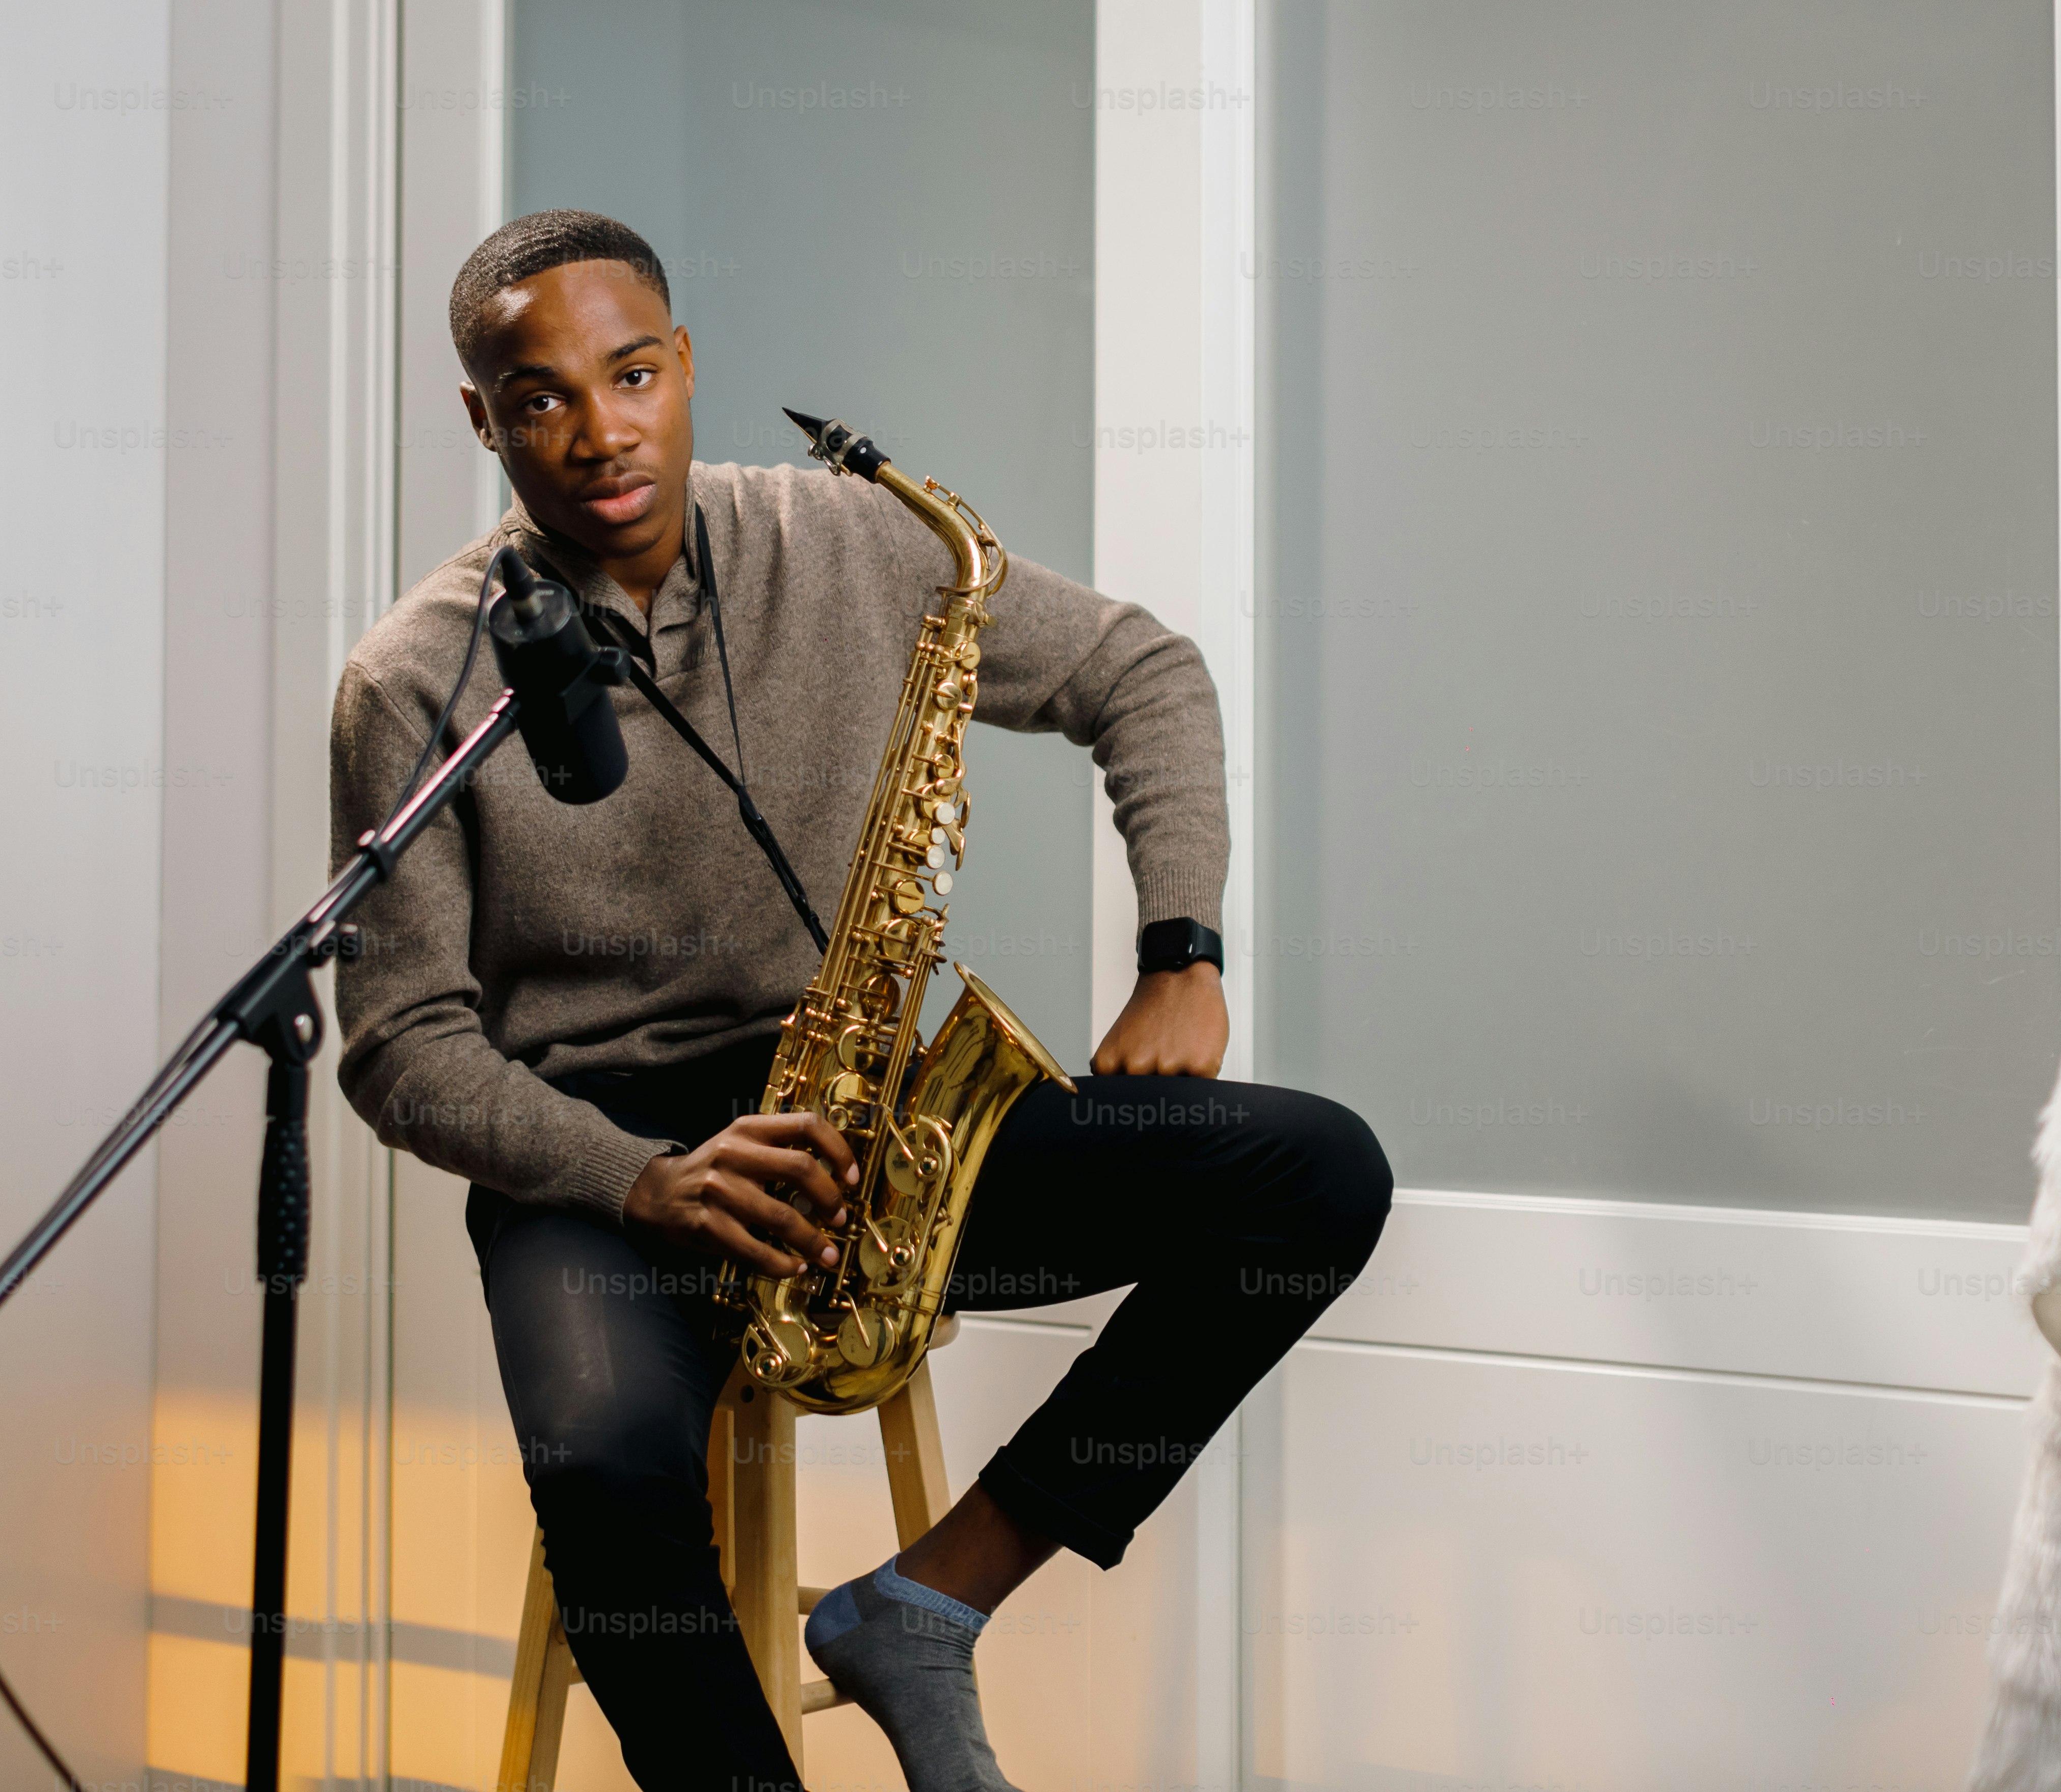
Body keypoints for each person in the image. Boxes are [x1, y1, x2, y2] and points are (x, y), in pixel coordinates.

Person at [330, 209, 1391, 1792]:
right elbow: (400, 1044)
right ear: (483, 419)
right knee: (609, 1476)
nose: (600, 430)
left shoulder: (849, 539)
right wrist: (642, 1178)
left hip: (861, 1135)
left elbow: (1140, 669)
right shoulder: (413, 679)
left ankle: (928, 1600)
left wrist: (1182, 945)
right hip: (599, 1163)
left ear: (684, 364)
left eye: (631, 374)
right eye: (540, 396)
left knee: (1312, 1172)